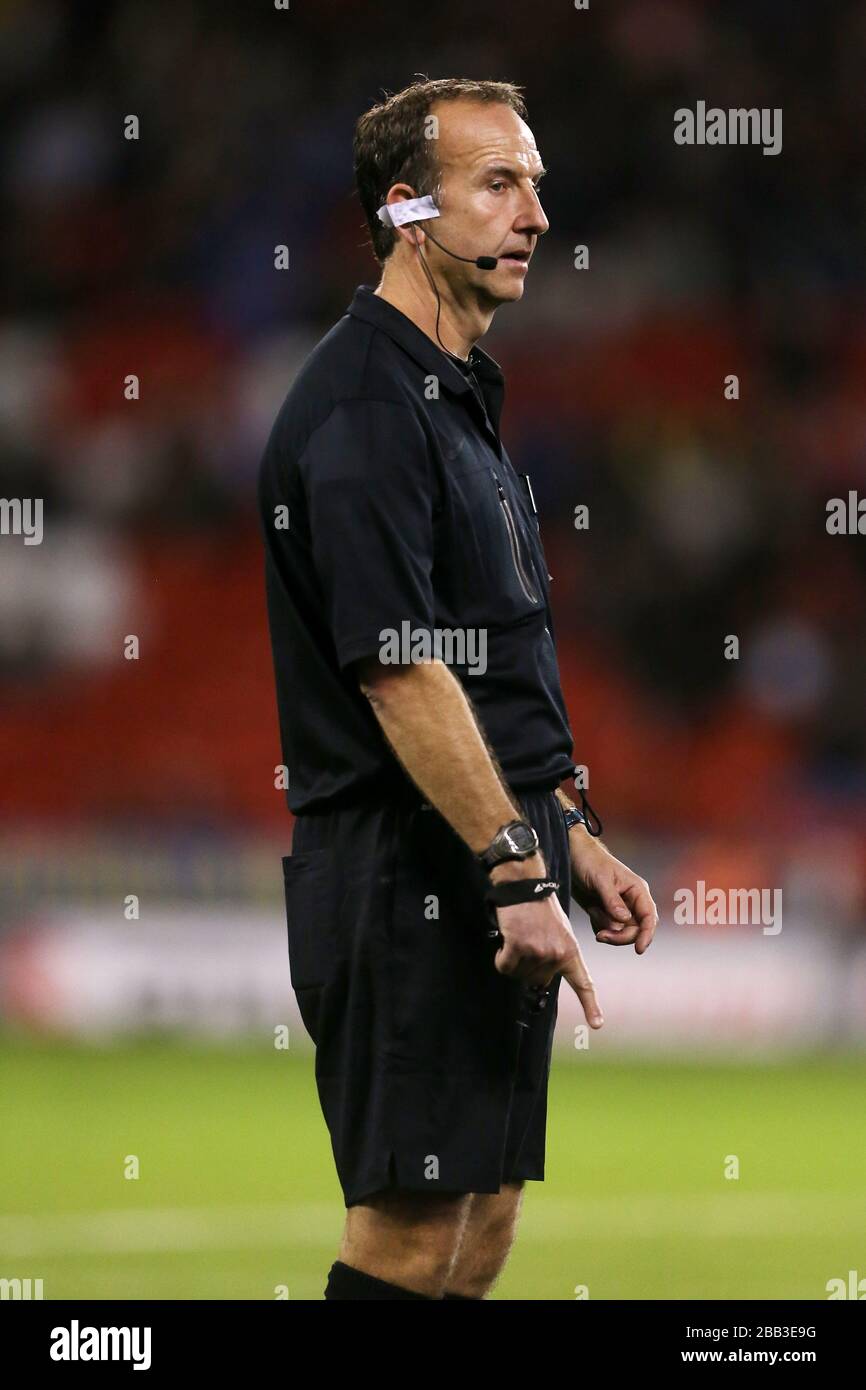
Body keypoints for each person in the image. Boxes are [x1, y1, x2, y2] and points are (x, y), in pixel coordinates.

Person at [258, 76, 658, 1302]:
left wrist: (566, 827)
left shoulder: (459, 399)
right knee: (409, 1230)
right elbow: (400, 668)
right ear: (407, 210)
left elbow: (494, 655)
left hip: (486, 846)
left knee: (480, 1220)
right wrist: (511, 865)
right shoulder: (369, 406)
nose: (535, 210)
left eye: (534, 180)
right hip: (403, 867)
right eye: (499, 182)